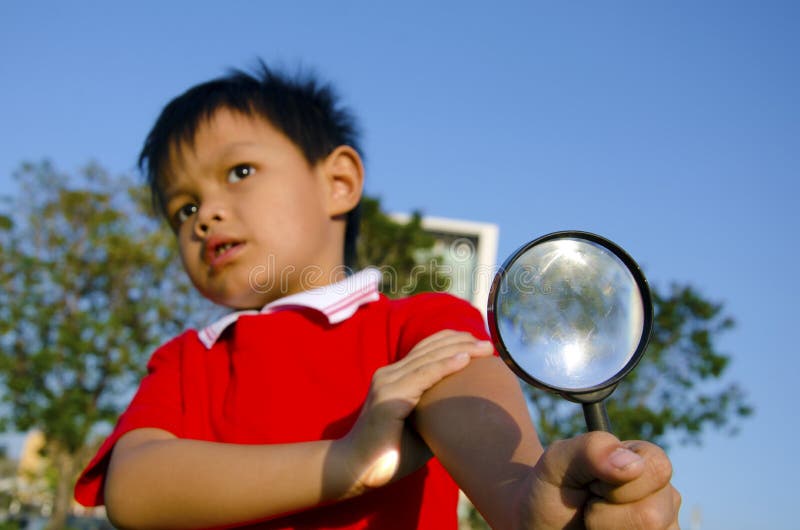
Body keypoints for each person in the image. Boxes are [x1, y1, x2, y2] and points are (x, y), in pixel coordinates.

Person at [74, 62, 680, 530]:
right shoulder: (188, 358)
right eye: (182, 208)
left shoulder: (417, 322)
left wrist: (534, 504)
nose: (204, 215)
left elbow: (509, 479)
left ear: (338, 182)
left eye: (238, 172)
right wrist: (343, 464)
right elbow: (133, 488)